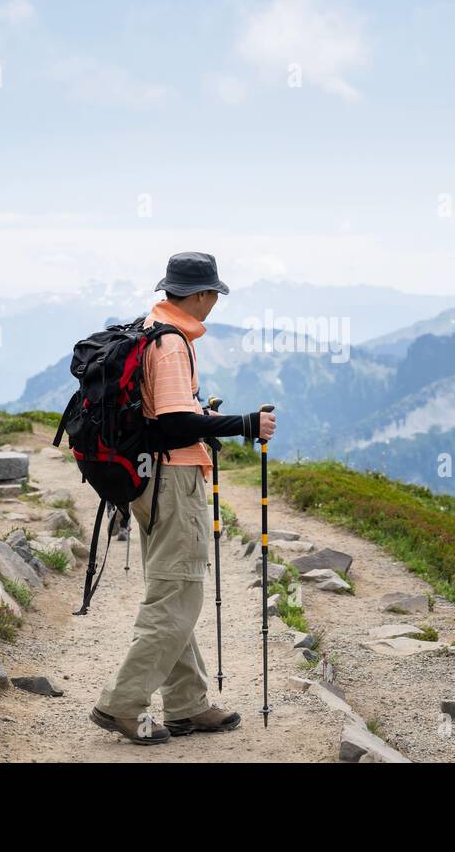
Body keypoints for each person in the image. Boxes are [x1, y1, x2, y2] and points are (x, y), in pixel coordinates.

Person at [90, 251, 278, 746]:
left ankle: (188, 705)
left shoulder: (151, 326)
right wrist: (243, 424)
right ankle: (122, 704)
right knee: (177, 594)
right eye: (213, 293)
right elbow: (173, 426)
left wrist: (202, 418)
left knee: (175, 589)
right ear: (199, 296)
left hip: (152, 480)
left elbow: (166, 416)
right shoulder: (172, 344)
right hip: (174, 481)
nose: (215, 302)